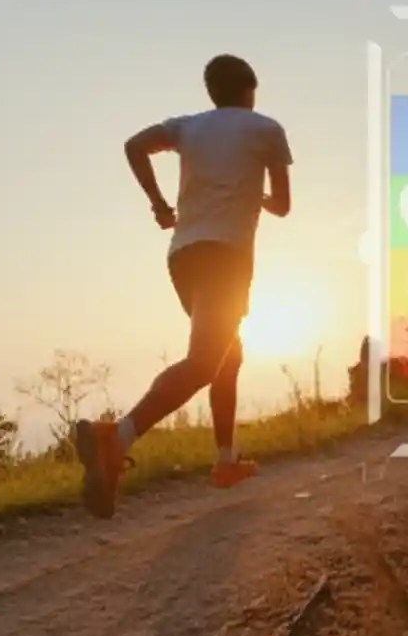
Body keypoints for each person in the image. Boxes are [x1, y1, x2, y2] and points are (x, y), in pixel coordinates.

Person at [75, 54, 293, 519]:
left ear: (212, 92)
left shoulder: (188, 127)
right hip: (227, 257)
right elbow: (284, 206)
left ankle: (226, 461)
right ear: (251, 89)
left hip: (184, 256)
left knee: (227, 356)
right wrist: (253, 193)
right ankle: (115, 438)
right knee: (203, 363)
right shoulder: (267, 130)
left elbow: (134, 145)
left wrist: (158, 204)